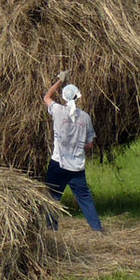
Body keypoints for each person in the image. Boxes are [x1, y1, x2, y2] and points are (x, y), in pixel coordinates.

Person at [42, 71, 103, 232]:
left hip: (58, 164)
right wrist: (78, 144)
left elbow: (46, 98)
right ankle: (97, 229)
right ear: (78, 97)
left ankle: (52, 228)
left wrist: (59, 82)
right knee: (85, 199)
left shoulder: (57, 111)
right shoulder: (85, 118)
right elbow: (90, 144)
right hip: (77, 167)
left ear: (63, 97)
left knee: (53, 197)